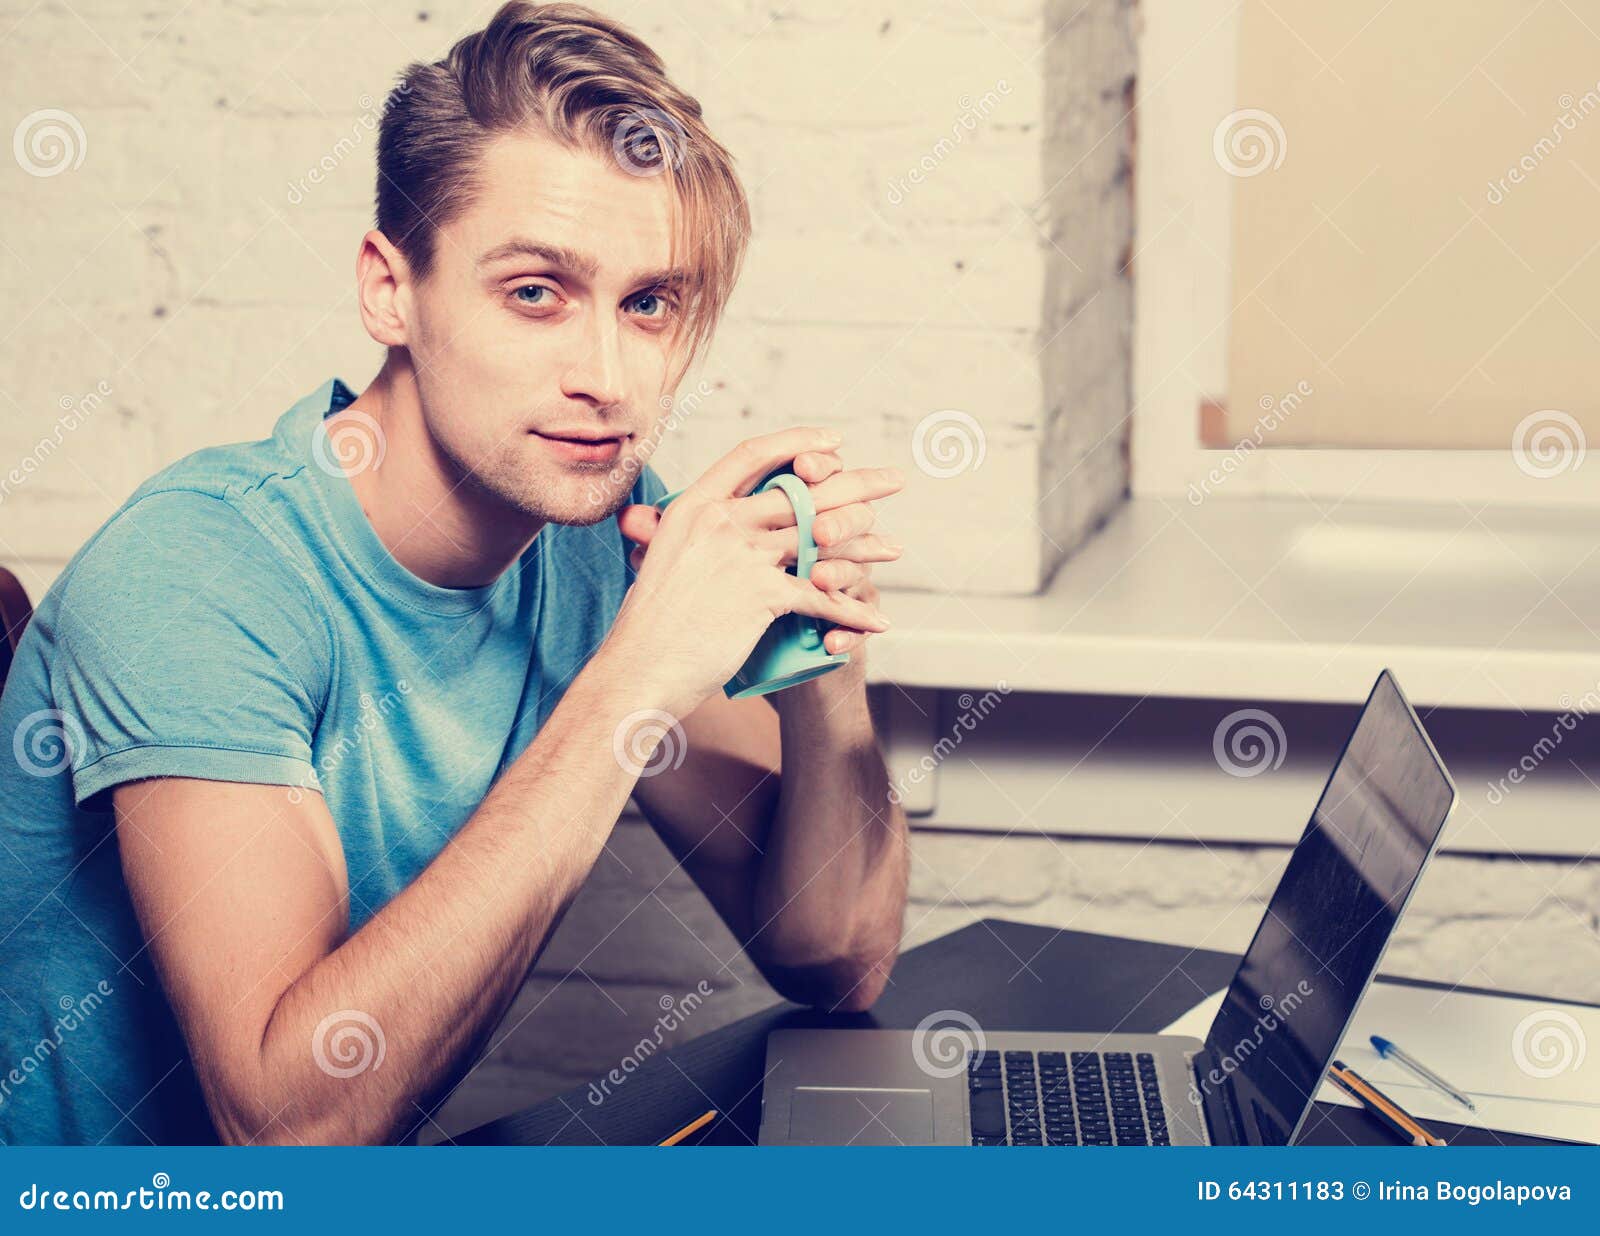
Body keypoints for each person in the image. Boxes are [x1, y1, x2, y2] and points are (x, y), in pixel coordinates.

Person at [0, 1, 907, 1145]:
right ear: (391, 289)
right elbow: (290, 1134)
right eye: (536, 292)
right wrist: (630, 684)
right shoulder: (198, 572)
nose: (607, 376)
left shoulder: (600, 526)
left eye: (648, 305)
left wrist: (816, 659)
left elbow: (834, 957)